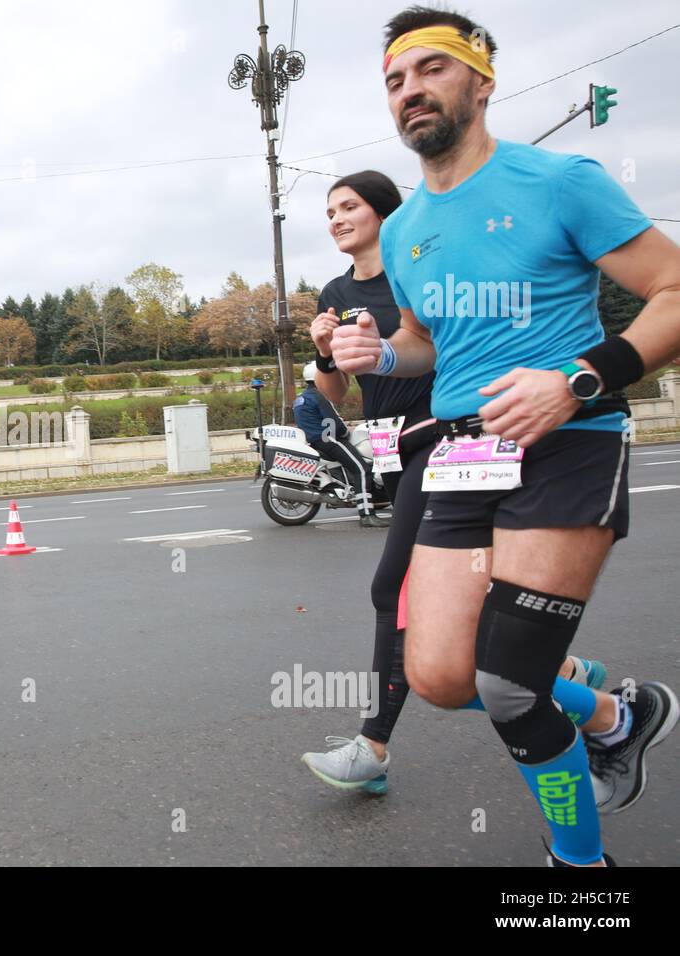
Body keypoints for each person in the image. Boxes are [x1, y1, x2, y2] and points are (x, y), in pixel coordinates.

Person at [330, 5, 680, 866]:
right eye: (395, 81)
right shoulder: (406, 225)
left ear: (480, 82)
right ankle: (615, 715)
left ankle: (579, 869)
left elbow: (673, 290)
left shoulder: (561, 180)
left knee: (508, 681)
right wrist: (381, 348)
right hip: (463, 453)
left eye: (431, 70)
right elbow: (427, 340)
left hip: (570, 440)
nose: (410, 91)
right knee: (442, 675)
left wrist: (579, 379)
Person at [301, 170, 607, 795]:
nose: (336, 218)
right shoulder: (334, 290)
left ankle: (373, 746)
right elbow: (333, 391)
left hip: (443, 440)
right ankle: (575, 678)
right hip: (388, 449)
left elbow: (452, 346)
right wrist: (328, 352)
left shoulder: (416, 270)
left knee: (393, 590)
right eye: (329, 210)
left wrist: (390, 348)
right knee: (455, 615)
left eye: (349, 206)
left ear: (388, 215)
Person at [292, 361, 387, 527]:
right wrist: (345, 433)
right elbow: (333, 423)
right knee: (362, 469)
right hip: (329, 440)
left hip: (316, 440)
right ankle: (366, 515)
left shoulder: (301, 398)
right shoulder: (320, 397)